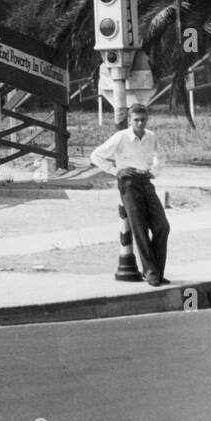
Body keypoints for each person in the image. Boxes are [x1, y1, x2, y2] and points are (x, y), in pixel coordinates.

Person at [90, 102, 170, 285]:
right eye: (136, 120)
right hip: (129, 183)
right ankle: (150, 272)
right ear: (130, 121)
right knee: (139, 227)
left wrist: (154, 172)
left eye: (143, 120)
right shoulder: (121, 137)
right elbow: (96, 156)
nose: (140, 124)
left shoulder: (151, 137)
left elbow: (161, 157)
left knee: (162, 226)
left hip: (146, 182)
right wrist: (116, 171)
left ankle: (157, 270)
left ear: (147, 119)